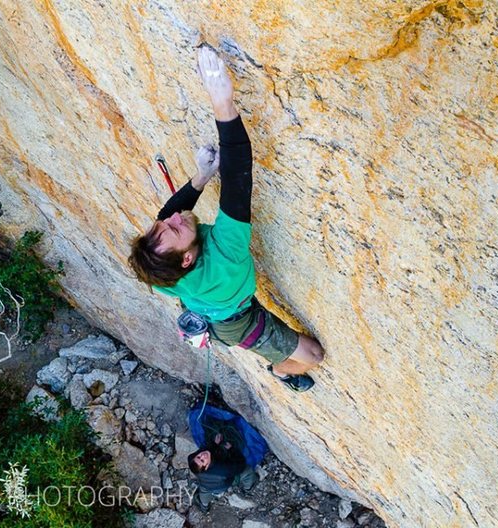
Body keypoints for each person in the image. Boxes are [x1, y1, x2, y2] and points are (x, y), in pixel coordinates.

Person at [128, 46, 324, 391]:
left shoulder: (160, 271)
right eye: (174, 227)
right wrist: (222, 102)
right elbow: (237, 178)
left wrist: (201, 177)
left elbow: (165, 216)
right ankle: (281, 372)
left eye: (163, 225)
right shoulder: (225, 253)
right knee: (313, 354)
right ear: (189, 258)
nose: (172, 216)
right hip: (237, 321)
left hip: (211, 308)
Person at [187, 417, 259, 512]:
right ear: (207, 466)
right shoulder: (223, 469)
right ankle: (248, 488)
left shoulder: (192, 460)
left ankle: (204, 506)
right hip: (224, 484)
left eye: (199, 457)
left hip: (206, 485)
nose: (202, 456)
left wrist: (214, 444)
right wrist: (231, 450)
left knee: (204, 492)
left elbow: (205, 451)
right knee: (247, 471)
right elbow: (240, 465)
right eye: (203, 460)